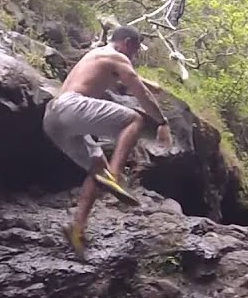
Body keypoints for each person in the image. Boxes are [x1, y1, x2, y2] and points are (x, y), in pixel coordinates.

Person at [42, 25, 173, 256]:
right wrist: (162, 122)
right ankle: (115, 175)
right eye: (134, 51)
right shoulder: (117, 56)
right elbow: (139, 91)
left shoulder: (98, 56)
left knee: (97, 167)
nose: (133, 56)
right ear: (128, 43)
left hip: (53, 119)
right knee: (134, 120)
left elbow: (123, 79)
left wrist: (151, 84)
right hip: (71, 106)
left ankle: (77, 229)